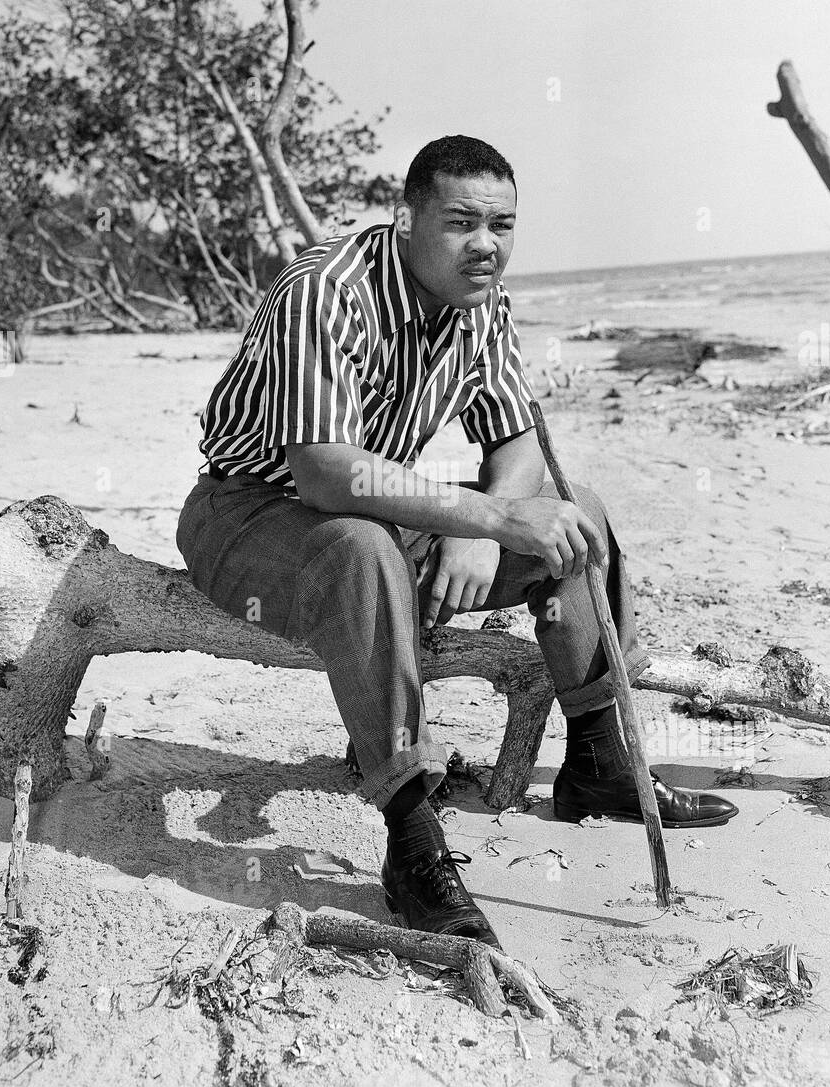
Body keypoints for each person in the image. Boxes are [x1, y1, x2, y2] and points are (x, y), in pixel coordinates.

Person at [176, 135, 736, 948]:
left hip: (373, 513)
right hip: (250, 511)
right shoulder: (325, 291)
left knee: (580, 507)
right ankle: (410, 840)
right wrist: (489, 518)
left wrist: (484, 532)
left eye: (502, 225)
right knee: (362, 551)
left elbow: (513, 442)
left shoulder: (482, 301)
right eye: (461, 222)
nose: (486, 245)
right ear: (406, 220)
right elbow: (326, 472)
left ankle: (597, 763)